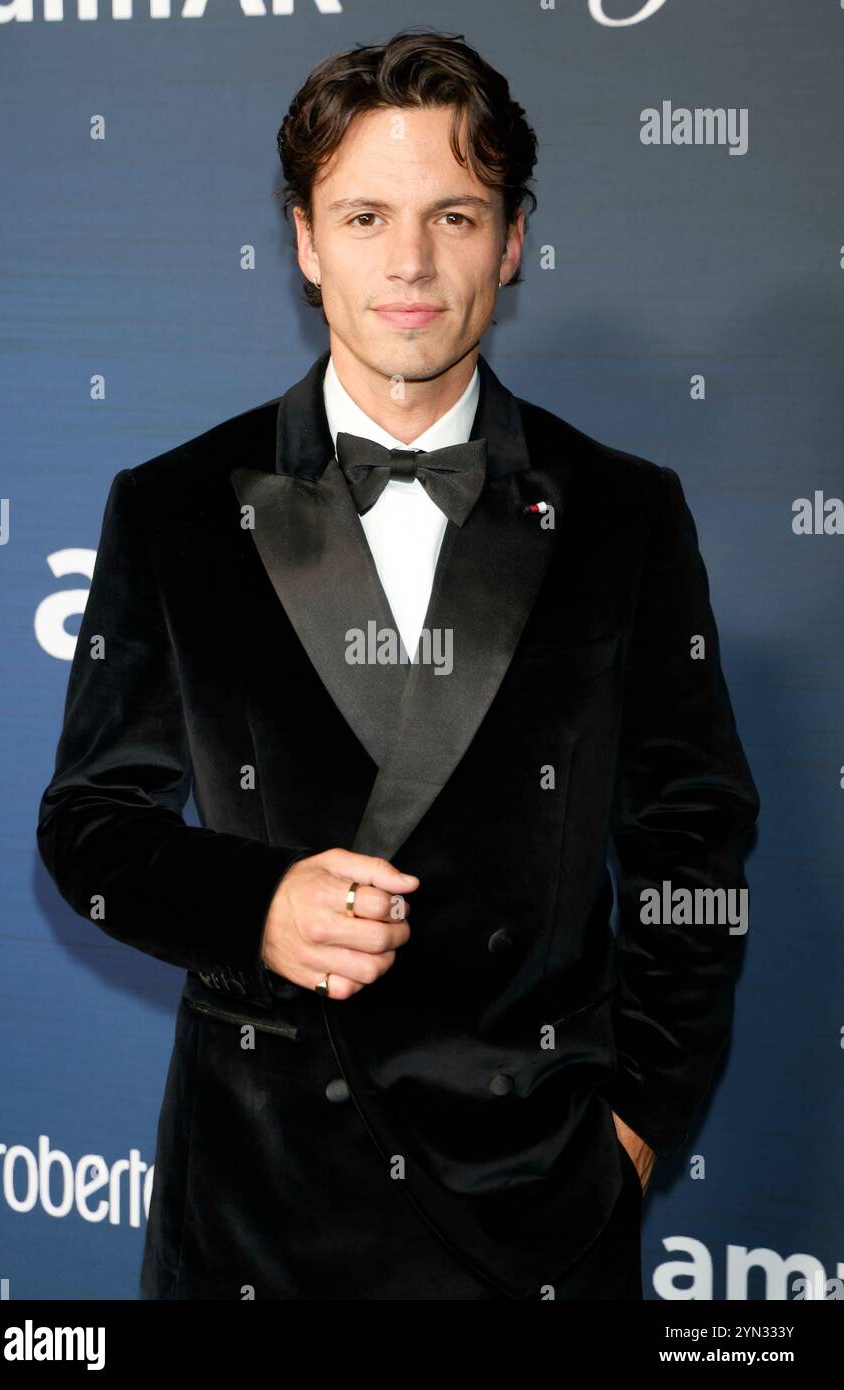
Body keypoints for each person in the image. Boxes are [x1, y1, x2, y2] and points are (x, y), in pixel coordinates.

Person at [37, 29, 759, 1301]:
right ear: (306, 244)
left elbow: (690, 841)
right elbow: (90, 826)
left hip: (536, 1203)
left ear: (515, 238)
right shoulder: (172, 507)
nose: (412, 264)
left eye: (455, 215)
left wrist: (636, 1128)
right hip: (259, 1207)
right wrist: (253, 906)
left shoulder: (626, 514)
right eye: (365, 216)